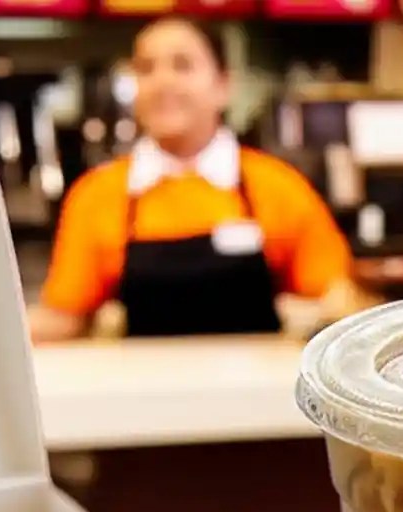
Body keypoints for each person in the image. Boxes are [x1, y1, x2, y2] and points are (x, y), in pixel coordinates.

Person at [30, 17, 354, 342]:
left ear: (223, 85)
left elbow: (339, 300)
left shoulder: (277, 186)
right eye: (146, 69)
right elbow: (65, 317)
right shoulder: (97, 195)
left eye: (182, 65)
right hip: (144, 376)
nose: (163, 82)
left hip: (254, 375)